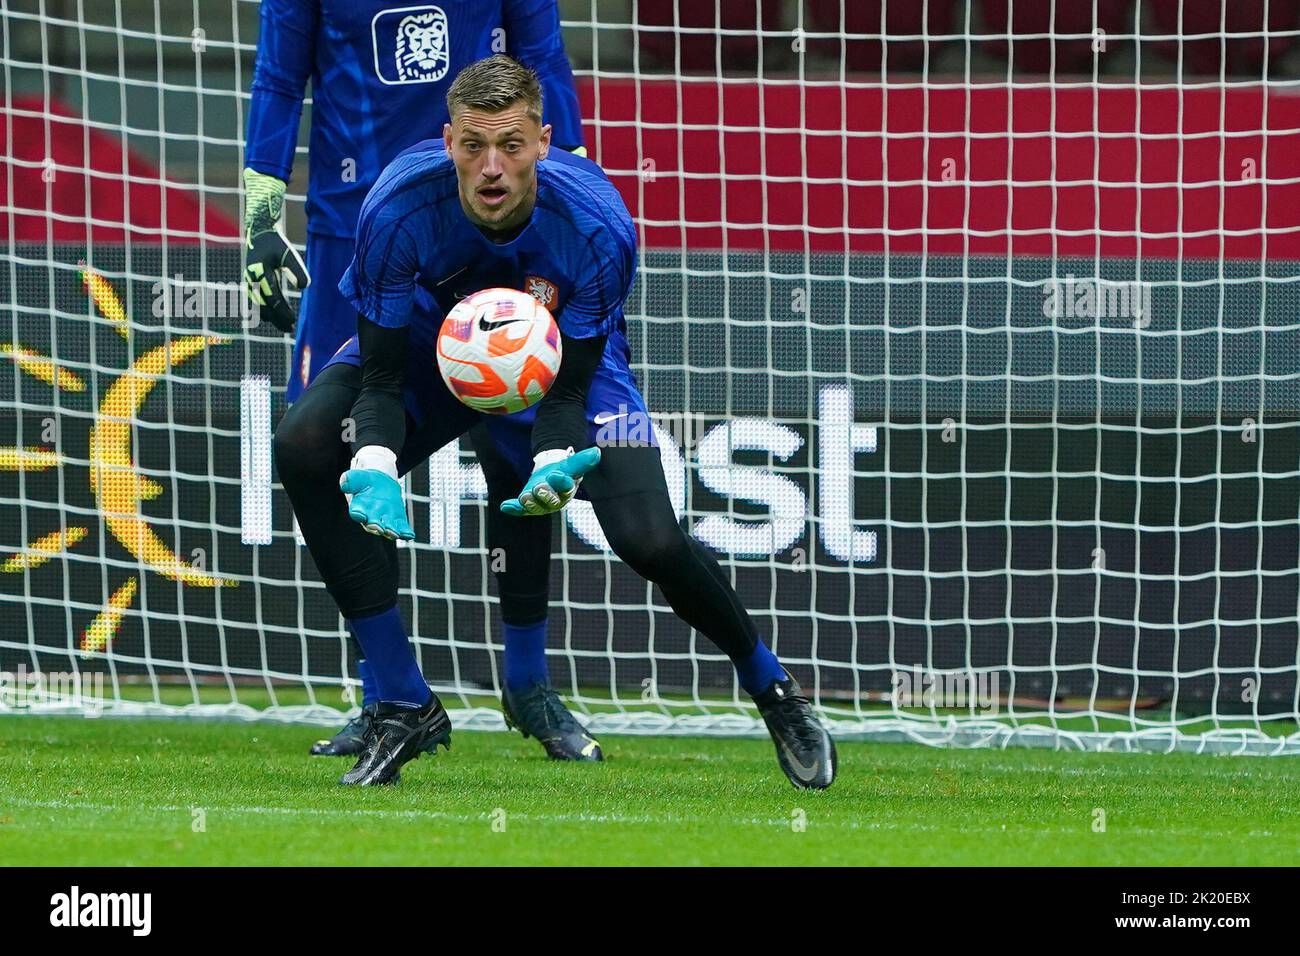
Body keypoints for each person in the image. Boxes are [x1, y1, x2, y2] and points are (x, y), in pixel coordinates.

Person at [272, 55, 838, 789]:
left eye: (510, 145)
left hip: (568, 366)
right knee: (307, 442)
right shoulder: (393, 208)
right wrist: (375, 461)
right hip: (429, 345)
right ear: (448, 144)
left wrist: (550, 461)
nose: (491, 167)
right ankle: (402, 699)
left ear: (545, 140)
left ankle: (776, 692)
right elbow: (379, 377)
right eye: (473, 146)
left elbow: (565, 398)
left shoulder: (599, 226)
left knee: (650, 537)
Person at [242, 0, 600, 760]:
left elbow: (544, 53)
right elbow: (280, 73)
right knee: (359, 458)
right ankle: (389, 693)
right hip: (359, 233)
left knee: (520, 449)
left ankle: (529, 684)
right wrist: (260, 213)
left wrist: (566, 174)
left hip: (495, 231)